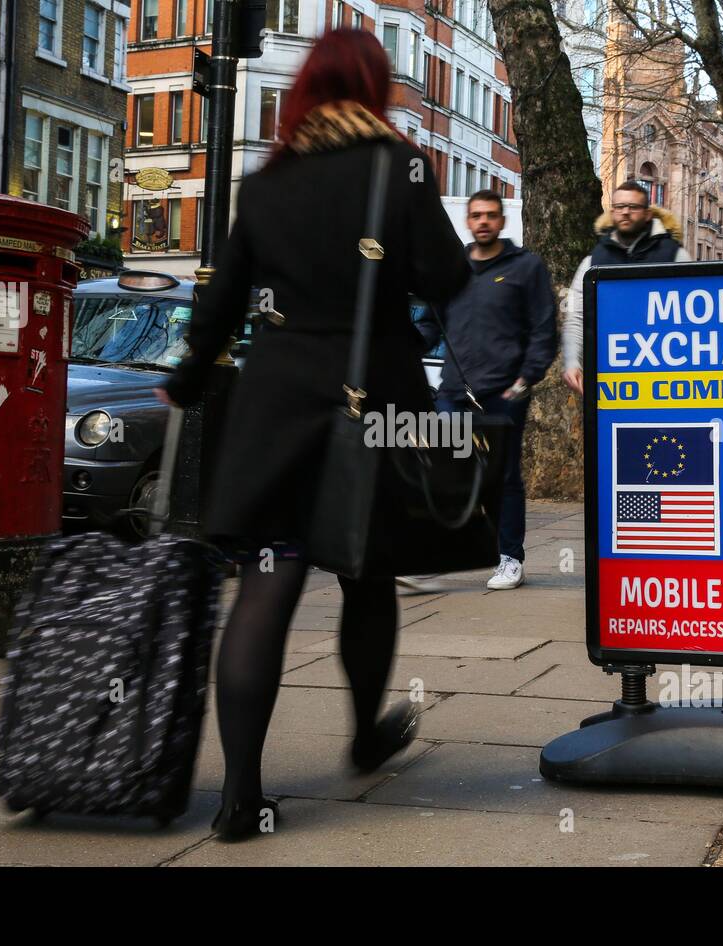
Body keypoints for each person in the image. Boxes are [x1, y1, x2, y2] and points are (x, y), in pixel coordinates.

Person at [154, 29, 469, 841]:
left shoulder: (268, 183)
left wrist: (186, 382)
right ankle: (365, 739)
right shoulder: (397, 168)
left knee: (266, 585)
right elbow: (448, 276)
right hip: (374, 400)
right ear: (375, 87)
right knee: (367, 576)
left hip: (275, 402)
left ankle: (240, 798)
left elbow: (220, 306)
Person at [417, 190, 557, 590]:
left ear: (500, 221)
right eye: (476, 216)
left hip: (504, 392)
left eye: (491, 216)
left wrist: (526, 377)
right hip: (453, 391)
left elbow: (543, 327)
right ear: (467, 221)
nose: (483, 222)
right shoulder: (451, 268)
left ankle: (510, 557)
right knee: (446, 473)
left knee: (504, 477)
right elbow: (429, 325)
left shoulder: (525, 267)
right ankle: (437, 553)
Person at [561, 181, 690, 395]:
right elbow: (575, 316)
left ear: (648, 214)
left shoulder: (675, 256)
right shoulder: (592, 261)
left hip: (665, 378)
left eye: (633, 207)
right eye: (620, 207)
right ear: (612, 212)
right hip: (608, 379)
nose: (626, 212)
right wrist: (573, 361)